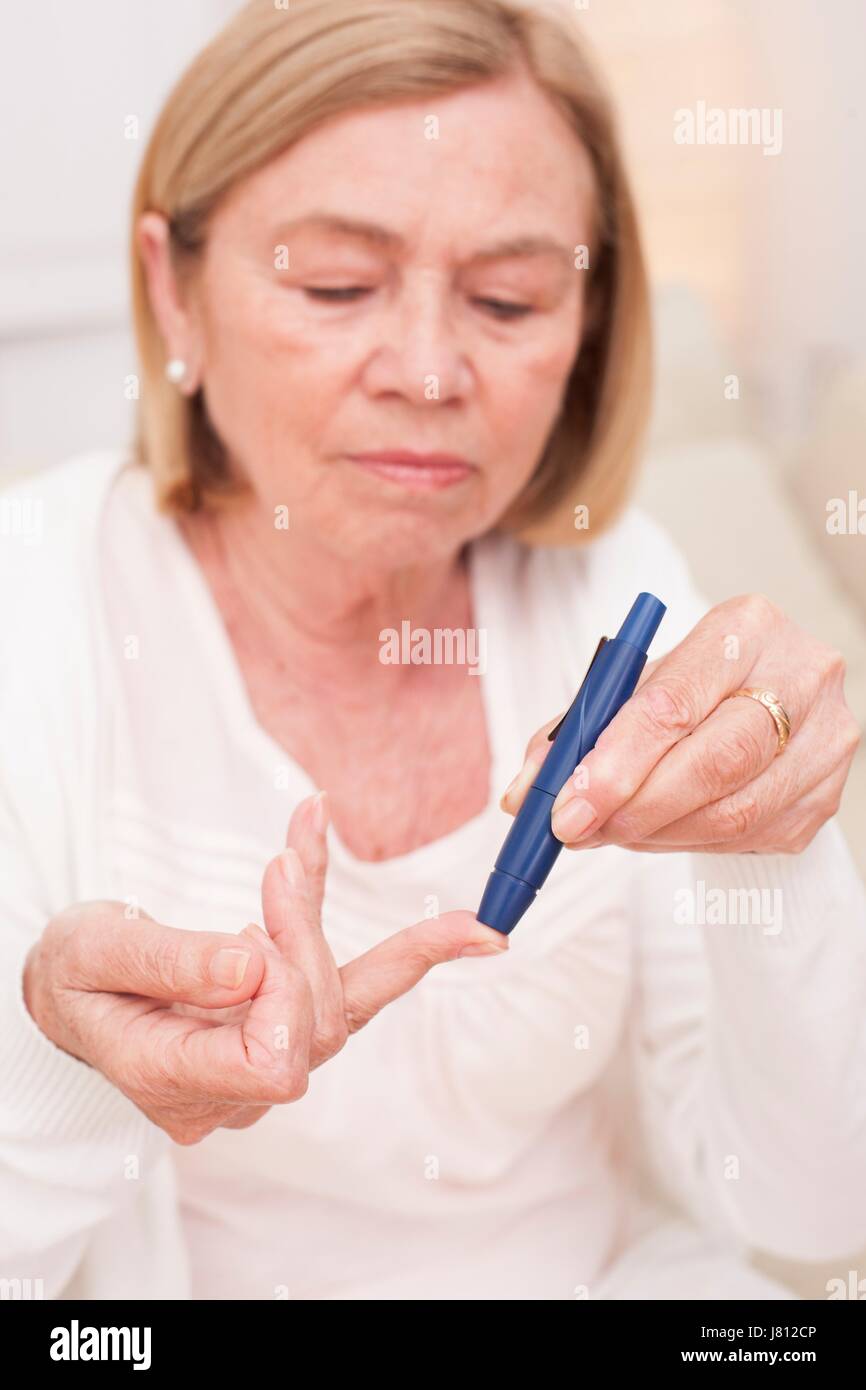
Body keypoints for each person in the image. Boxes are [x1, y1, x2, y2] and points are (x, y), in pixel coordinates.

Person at [1, 0, 864, 1302]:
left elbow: (805, 1217)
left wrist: (783, 860)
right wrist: (61, 1065)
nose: (425, 368)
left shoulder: (618, 591)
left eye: (508, 299)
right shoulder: (38, 611)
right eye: (336, 285)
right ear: (172, 289)